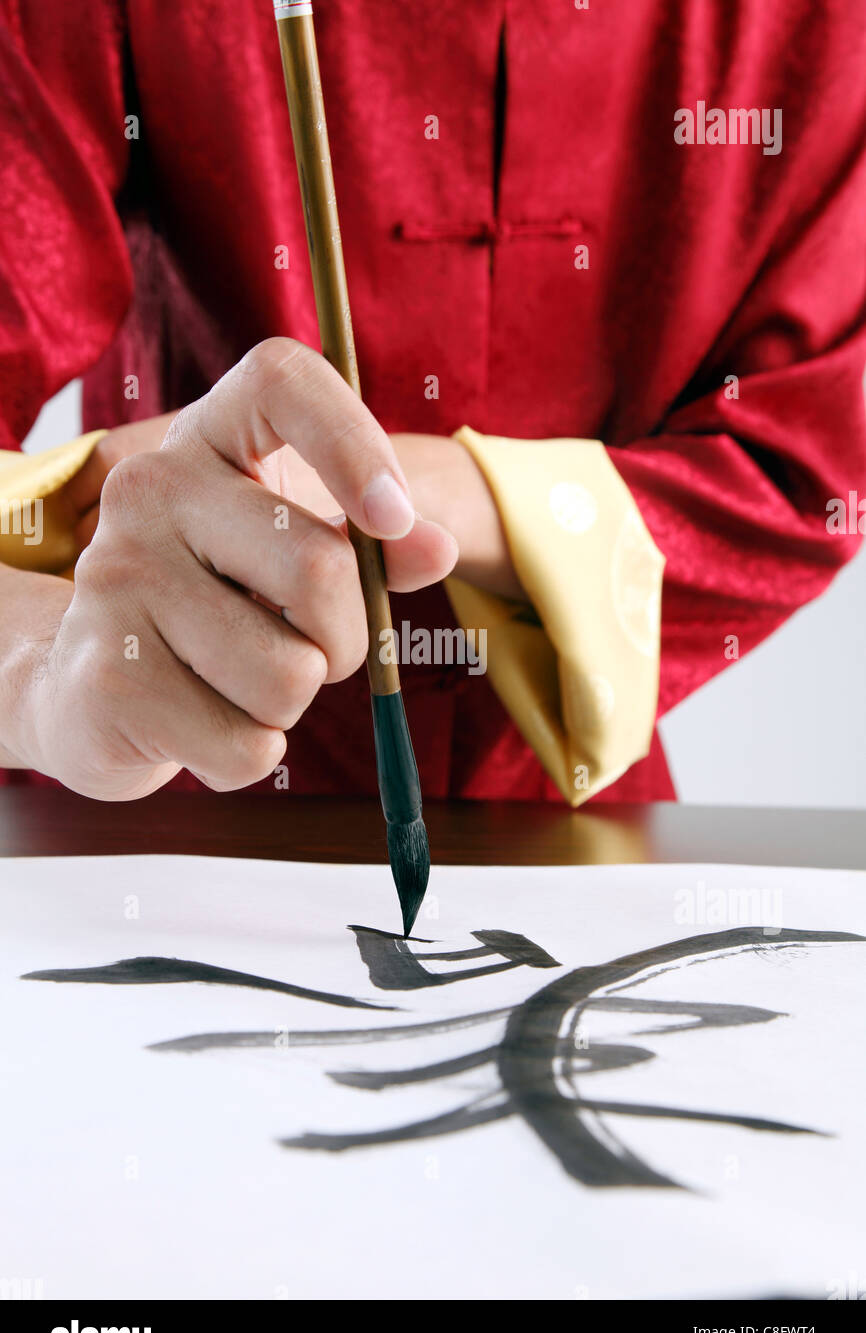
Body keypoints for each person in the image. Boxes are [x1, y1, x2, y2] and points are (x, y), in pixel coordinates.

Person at [0, 0, 863, 805]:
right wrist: (43, 673)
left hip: (589, 856)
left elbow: (816, 464)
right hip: (153, 814)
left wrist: (448, 490)